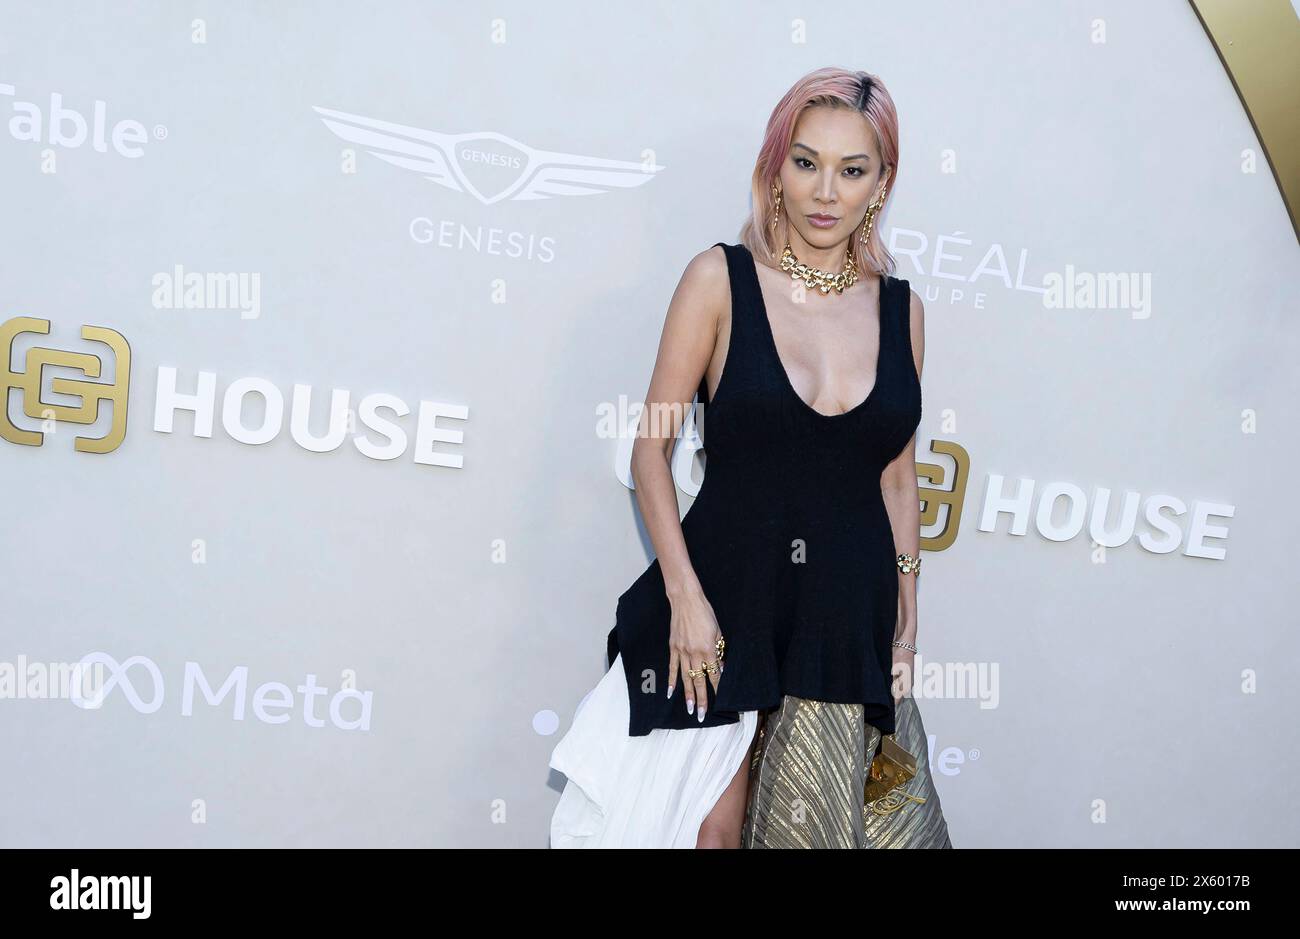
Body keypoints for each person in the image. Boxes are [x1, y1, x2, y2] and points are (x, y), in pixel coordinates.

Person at [549, 67, 952, 848]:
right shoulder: (719, 280)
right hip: (725, 604)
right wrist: (685, 598)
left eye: (852, 169)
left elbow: (898, 478)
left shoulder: (905, 313)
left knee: (839, 830)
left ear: (884, 181)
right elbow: (650, 449)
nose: (825, 191)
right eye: (805, 163)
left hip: (844, 616)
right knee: (711, 832)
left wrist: (906, 608)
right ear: (774, 168)